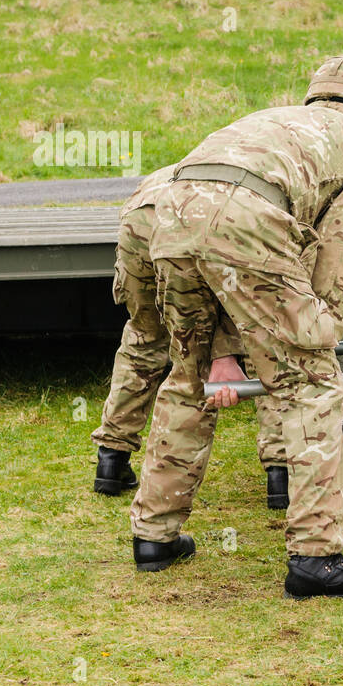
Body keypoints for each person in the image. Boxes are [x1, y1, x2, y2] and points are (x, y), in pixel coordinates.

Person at [128, 53, 343, 599]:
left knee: (189, 373)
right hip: (246, 221)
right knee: (311, 382)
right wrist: (318, 330)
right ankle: (316, 559)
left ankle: (154, 536)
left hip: (172, 214)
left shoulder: (274, 122)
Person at [90, 165, 291, 510]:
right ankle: (281, 473)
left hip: (141, 218)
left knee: (143, 338)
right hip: (192, 224)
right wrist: (225, 352)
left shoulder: (209, 164)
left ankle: (112, 458)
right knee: (266, 342)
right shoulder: (269, 185)